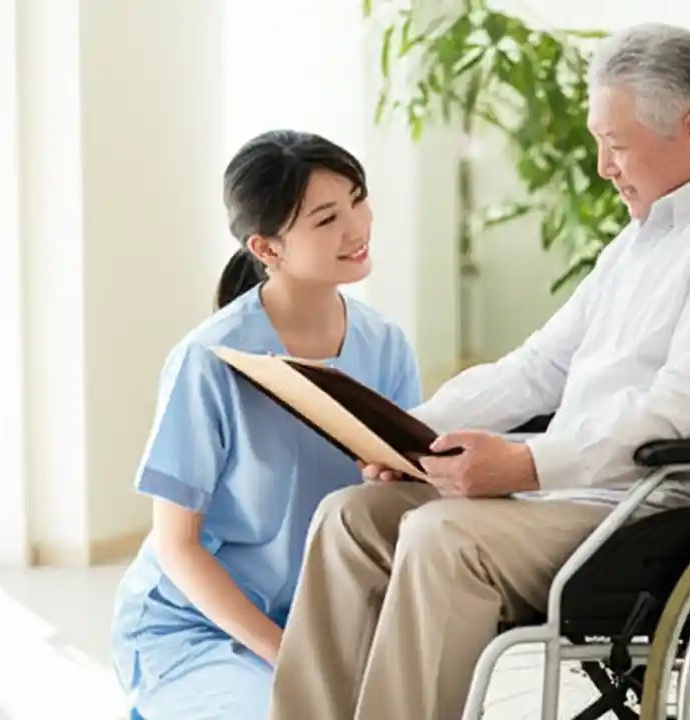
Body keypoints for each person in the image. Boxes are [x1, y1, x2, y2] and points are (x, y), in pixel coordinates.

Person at [268, 23, 690, 720]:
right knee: (350, 518)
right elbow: (539, 367)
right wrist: (408, 434)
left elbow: (682, 408)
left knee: (443, 538)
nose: (603, 166)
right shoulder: (641, 240)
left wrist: (526, 465)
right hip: (588, 494)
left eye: (615, 144)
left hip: (670, 511)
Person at [108, 130, 422, 720]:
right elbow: (177, 546)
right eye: (327, 219)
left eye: (358, 200)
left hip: (321, 625)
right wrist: (291, 658)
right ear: (267, 248)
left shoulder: (386, 346)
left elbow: (403, 503)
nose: (356, 227)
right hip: (195, 630)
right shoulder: (209, 360)